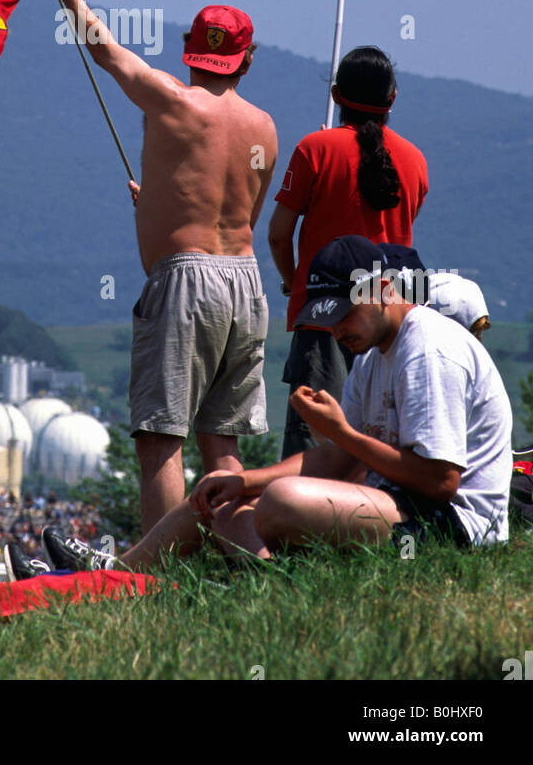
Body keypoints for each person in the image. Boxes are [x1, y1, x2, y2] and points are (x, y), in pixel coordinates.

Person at [29, 236, 513, 576]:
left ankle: (256, 574)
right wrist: (243, 480)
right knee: (219, 503)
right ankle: (122, 571)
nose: (336, 330)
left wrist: (341, 433)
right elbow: (335, 460)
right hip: (402, 506)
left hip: (450, 526)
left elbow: (441, 481)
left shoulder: (427, 347)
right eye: (326, 319)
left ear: (384, 291)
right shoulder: (371, 356)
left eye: (344, 313)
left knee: (283, 500)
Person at [34, 0, 277, 532]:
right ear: (245, 60)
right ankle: (235, 558)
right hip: (245, 281)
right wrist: (167, 204)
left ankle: (163, 571)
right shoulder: (265, 127)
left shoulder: (173, 100)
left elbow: (106, 51)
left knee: (160, 435)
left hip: (187, 283)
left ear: (193, 51)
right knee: (222, 443)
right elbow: (242, 211)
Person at [268, 46, 428, 458]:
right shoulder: (415, 161)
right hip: (390, 322)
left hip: (324, 318)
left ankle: (305, 523)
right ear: (392, 99)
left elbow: (278, 235)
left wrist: (294, 283)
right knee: (382, 441)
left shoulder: (314, 149)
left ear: (336, 95)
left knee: (314, 443)